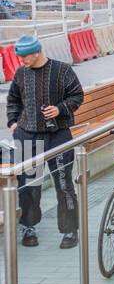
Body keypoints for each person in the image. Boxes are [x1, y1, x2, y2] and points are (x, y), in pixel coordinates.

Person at [6, 34, 82, 250]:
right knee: (28, 185)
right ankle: (29, 227)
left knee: (64, 183)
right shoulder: (21, 74)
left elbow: (77, 95)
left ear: (38, 52)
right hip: (26, 135)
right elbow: (13, 99)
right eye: (19, 57)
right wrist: (13, 123)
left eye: (25, 57)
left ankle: (70, 230)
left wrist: (60, 109)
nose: (21, 61)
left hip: (57, 135)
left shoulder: (63, 70)